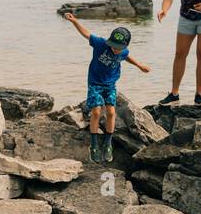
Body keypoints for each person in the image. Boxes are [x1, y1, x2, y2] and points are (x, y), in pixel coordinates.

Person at [64, 13, 150, 163]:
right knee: (96, 112)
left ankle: (108, 142)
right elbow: (86, 34)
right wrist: (74, 21)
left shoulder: (123, 51)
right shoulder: (101, 44)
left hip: (110, 84)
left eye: (119, 48)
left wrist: (139, 65)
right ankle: (94, 143)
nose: (116, 50)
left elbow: (126, 56)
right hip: (95, 83)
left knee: (111, 112)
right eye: (114, 46)